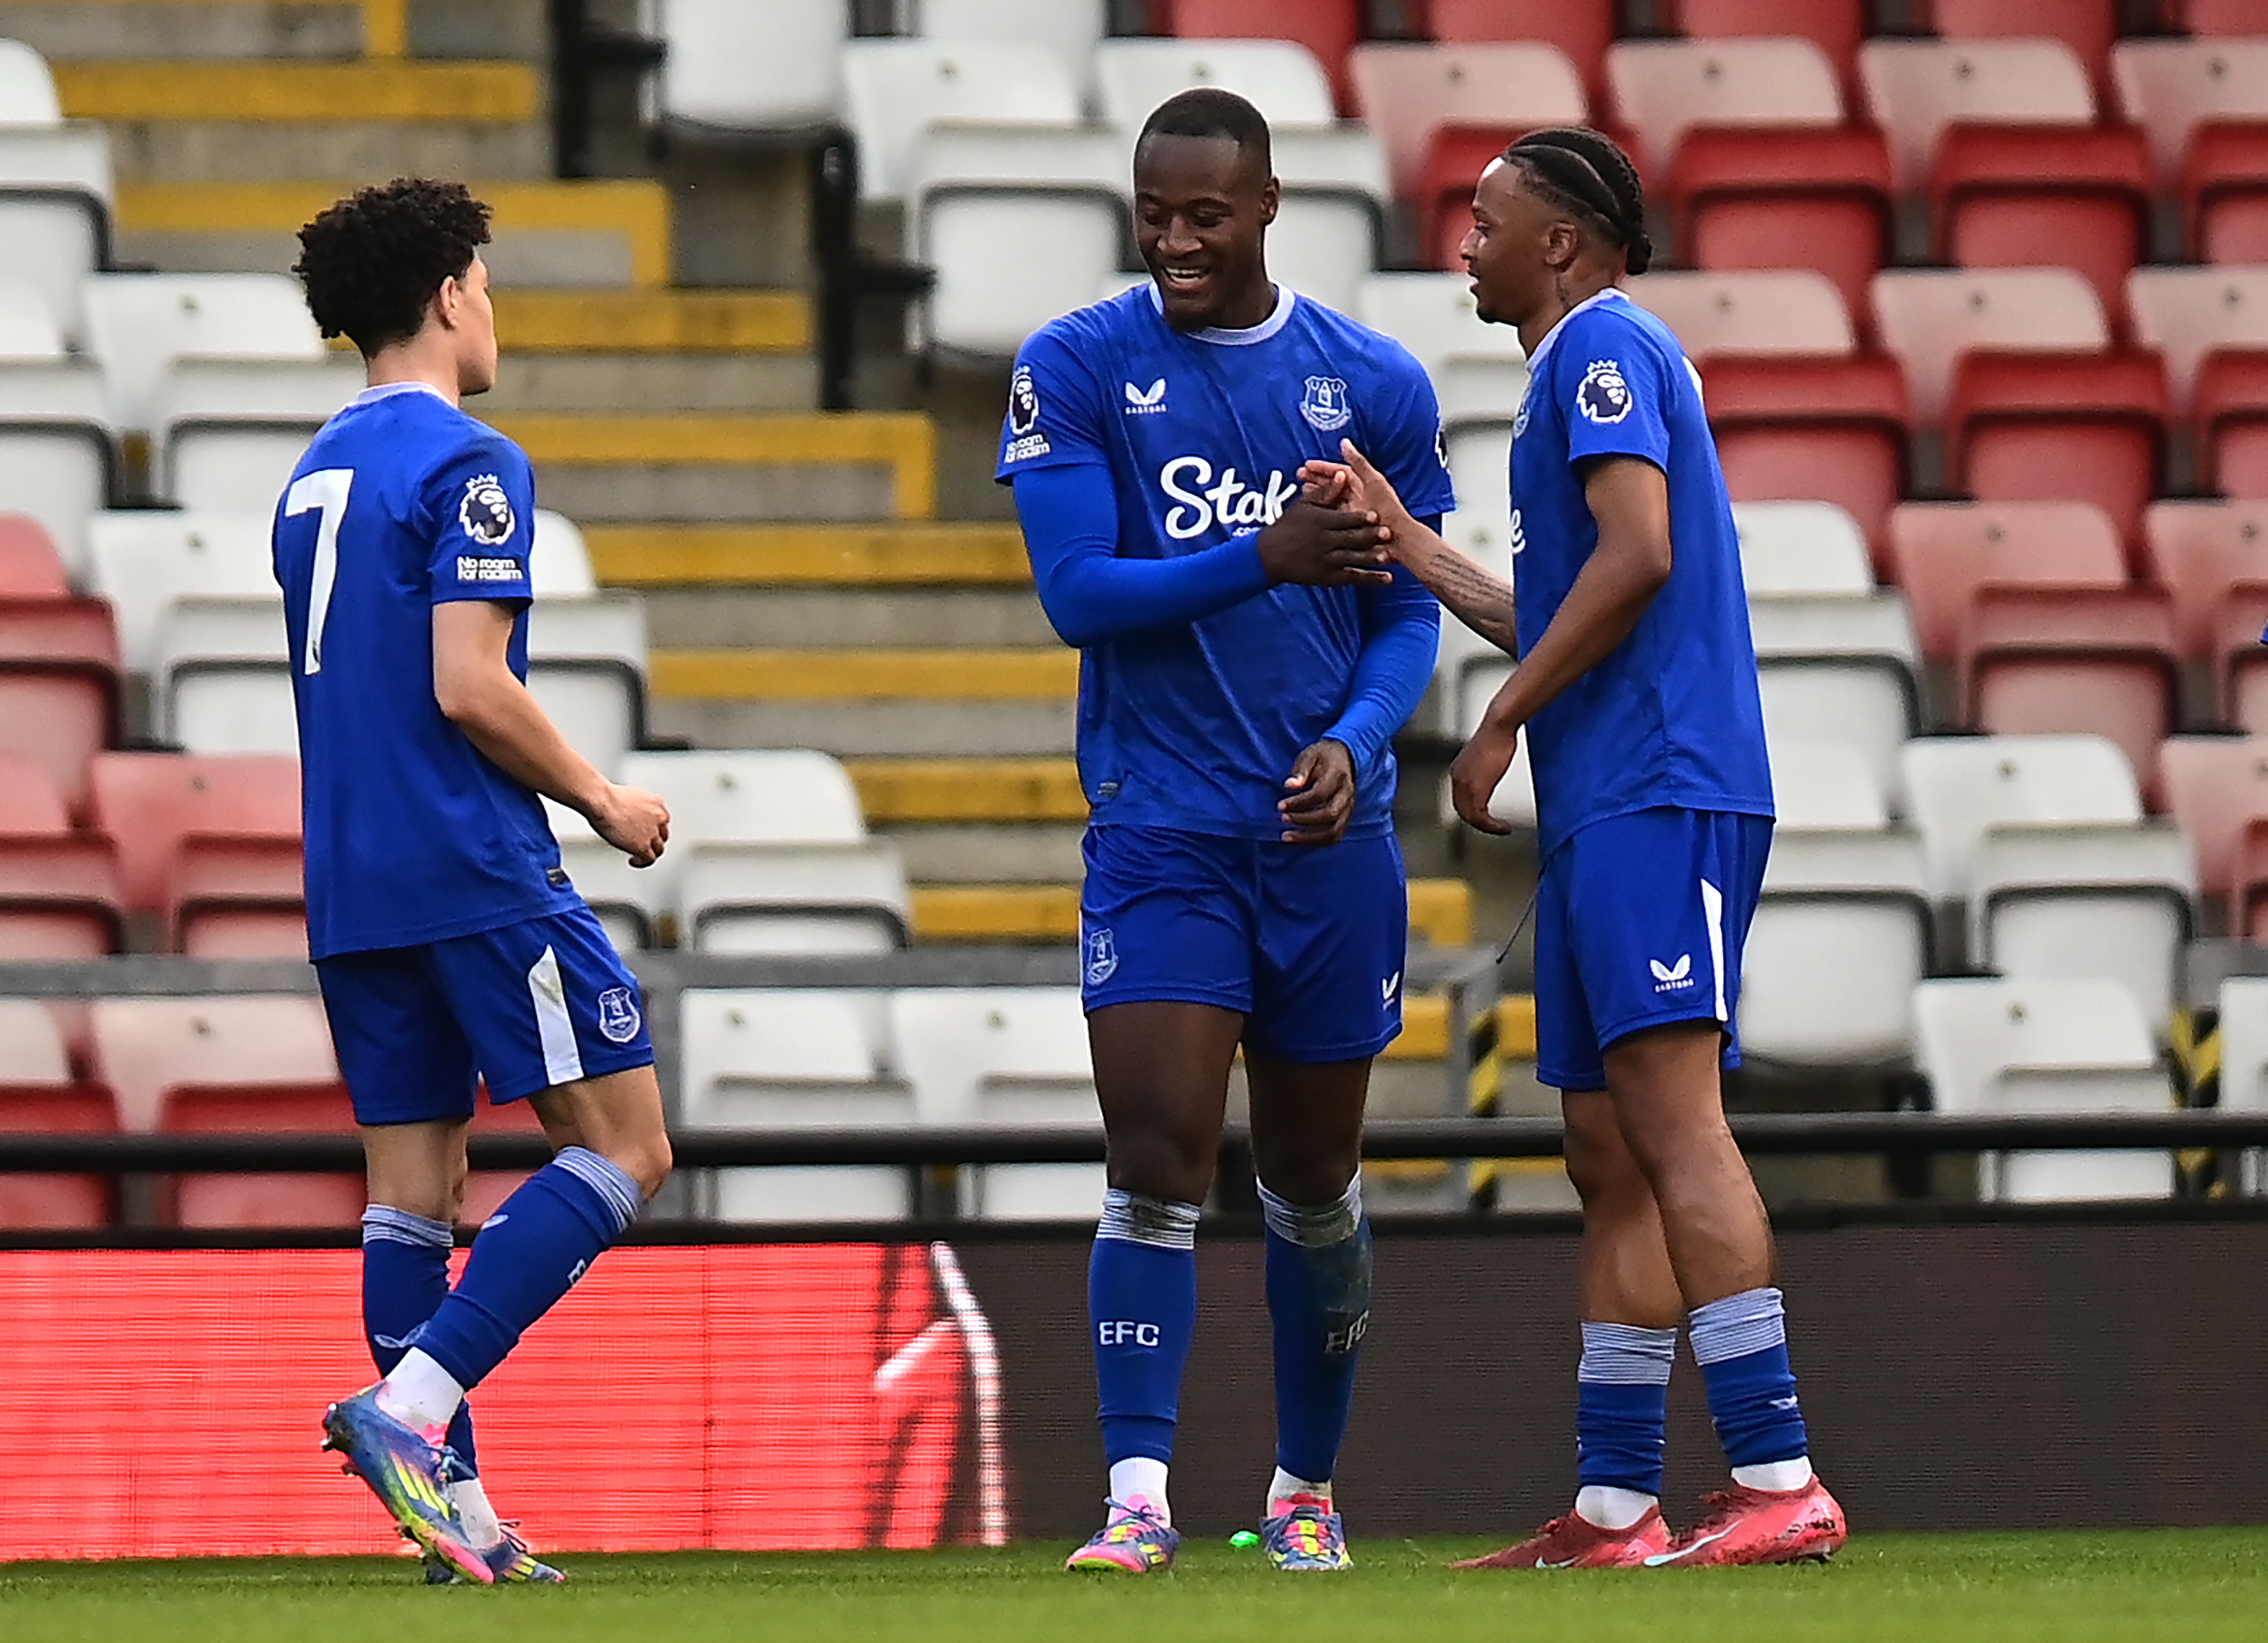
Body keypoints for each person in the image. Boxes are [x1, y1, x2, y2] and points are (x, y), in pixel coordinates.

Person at [1300, 129, 1847, 1568]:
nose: (1463, 245)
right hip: (1615, 797)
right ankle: (1615, 1505)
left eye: (1486, 222)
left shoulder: (1604, 347)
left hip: (1662, 783)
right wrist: (1409, 541)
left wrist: (1500, 720)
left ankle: (1781, 1476)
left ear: (1559, 243)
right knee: (1609, 1152)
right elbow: (1563, 604)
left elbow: (1639, 554)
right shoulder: (1574, 371)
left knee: (1674, 1123)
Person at [996, 88, 1455, 1574]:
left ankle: (1304, 1490)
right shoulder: (1075, 364)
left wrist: (1357, 741)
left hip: (1327, 845)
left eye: (1205, 215)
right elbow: (1078, 593)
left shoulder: (1372, 384)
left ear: (1267, 206)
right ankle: (1137, 1498)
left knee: (1314, 1181)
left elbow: (1406, 618)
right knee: (1156, 1154)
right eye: (1155, 216)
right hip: (1163, 831)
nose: (1176, 243)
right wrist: (1265, 553)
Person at [276, 177, 675, 1586]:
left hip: (351, 877)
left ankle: (461, 1518)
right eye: (488, 286)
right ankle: (412, 1405)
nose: (493, 311)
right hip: (470, 862)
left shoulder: (310, 475)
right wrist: (604, 798)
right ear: (450, 294)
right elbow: (467, 682)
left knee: (414, 1188)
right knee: (626, 1144)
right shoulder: (470, 460)